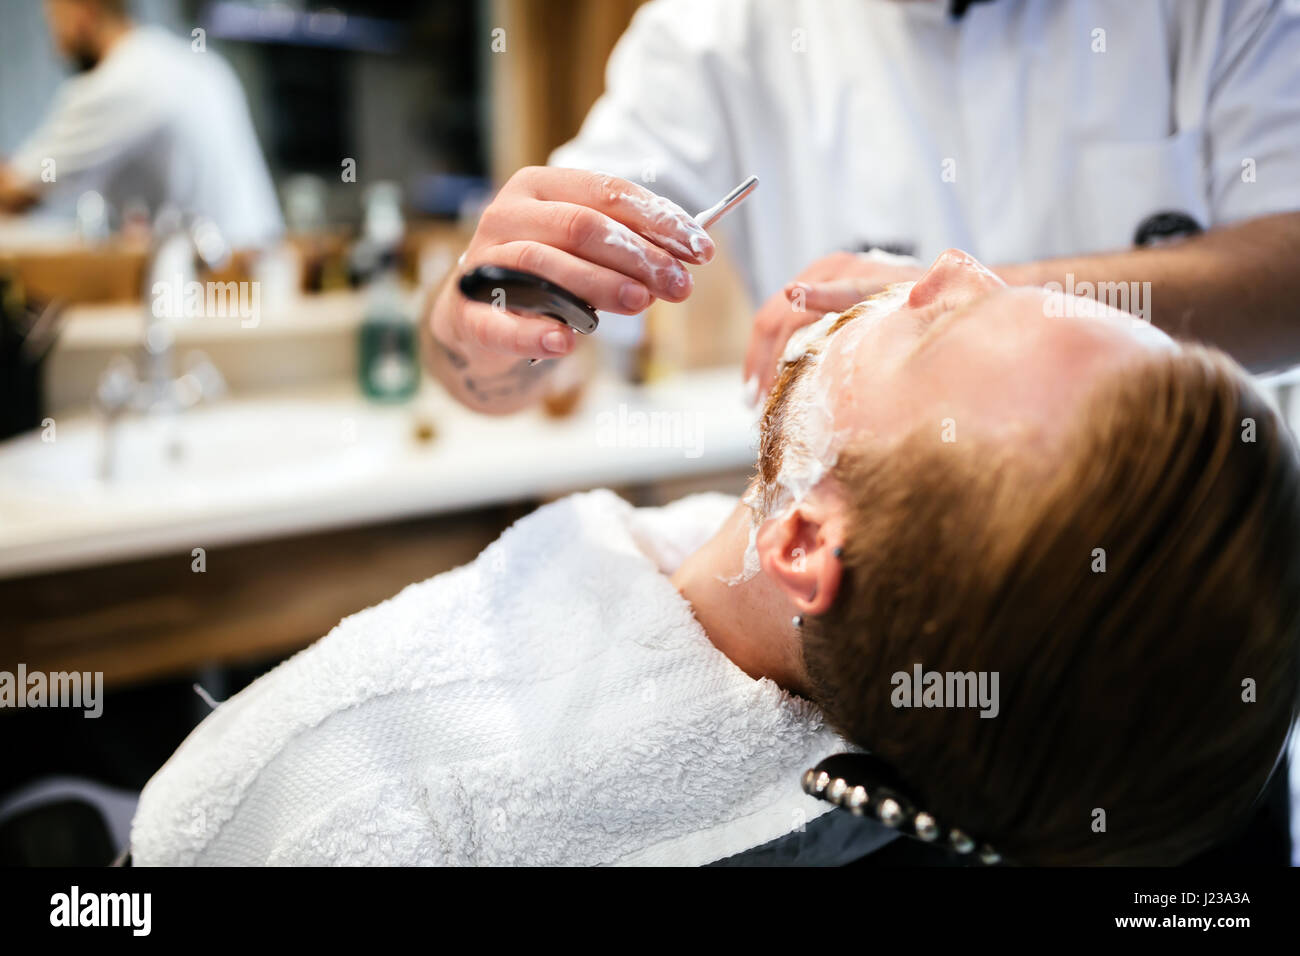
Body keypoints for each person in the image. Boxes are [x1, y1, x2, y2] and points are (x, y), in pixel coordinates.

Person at [132, 250, 1300, 865]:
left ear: (802, 540)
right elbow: (473, 344)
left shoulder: (394, 810)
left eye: (949, 319)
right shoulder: (849, 651)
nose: (948, 261)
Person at [423, 0, 1300, 415]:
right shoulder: (712, 32)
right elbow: (498, 367)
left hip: (1182, 591)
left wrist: (976, 304)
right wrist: (480, 331)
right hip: (869, 612)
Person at [0, 0, 282, 248]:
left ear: (84, 13)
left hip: (211, 275)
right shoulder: (199, 63)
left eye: (56, 21)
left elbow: (15, 191)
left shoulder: (116, 83)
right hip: (267, 265)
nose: (56, 45)